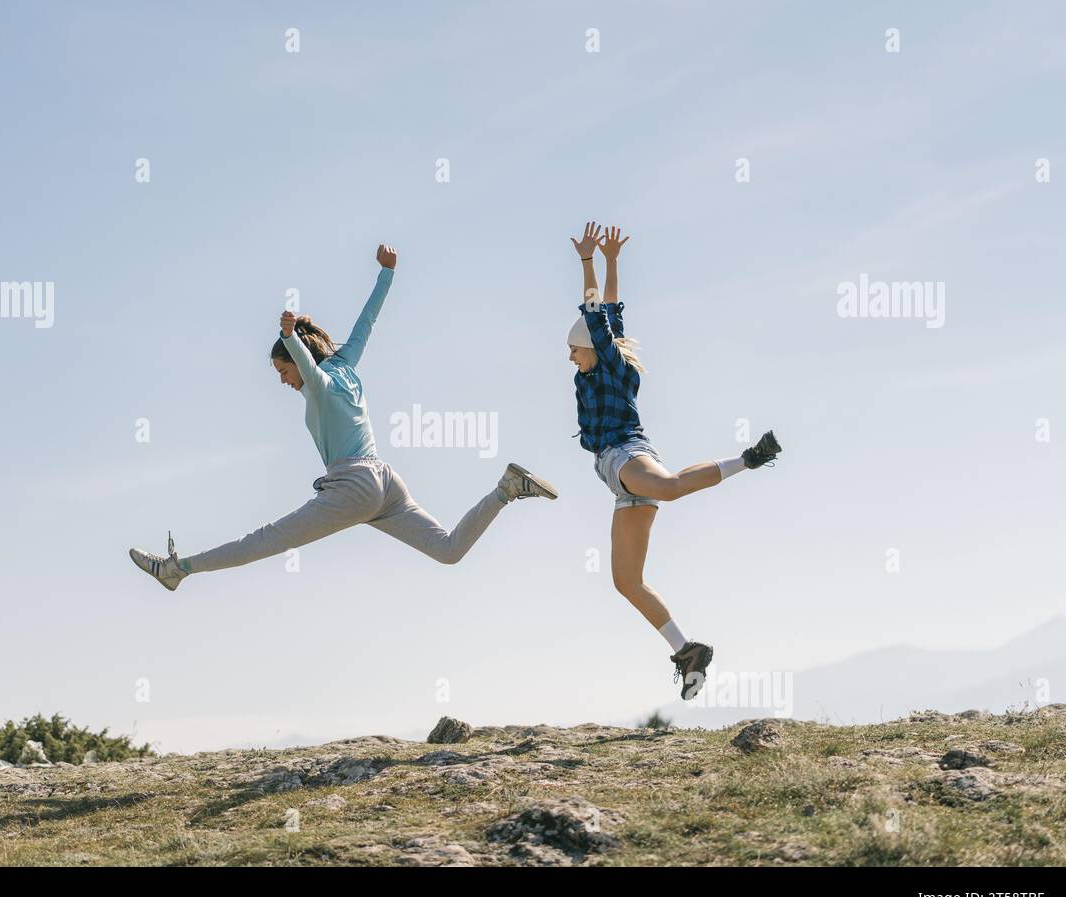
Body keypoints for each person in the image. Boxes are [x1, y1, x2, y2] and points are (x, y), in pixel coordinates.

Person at [130, 243, 557, 591]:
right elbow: (365, 324)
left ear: (299, 361)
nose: (282, 381)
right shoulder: (346, 367)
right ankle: (506, 489)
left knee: (265, 540)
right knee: (448, 550)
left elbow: (309, 367)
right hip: (385, 482)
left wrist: (288, 336)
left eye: (283, 371)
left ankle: (177, 569)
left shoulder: (319, 383)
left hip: (353, 485)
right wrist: (387, 273)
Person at [567, 222, 782, 700]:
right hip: (616, 478)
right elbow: (612, 318)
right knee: (627, 581)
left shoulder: (610, 367)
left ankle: (748, 459)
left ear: (592, 348)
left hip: (628, 454)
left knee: (668, 488)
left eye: (574, 349)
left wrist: (588, 262)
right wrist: (614, 261)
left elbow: (599, 316)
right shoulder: (602, 360)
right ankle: (688, 652)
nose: (570, 358)